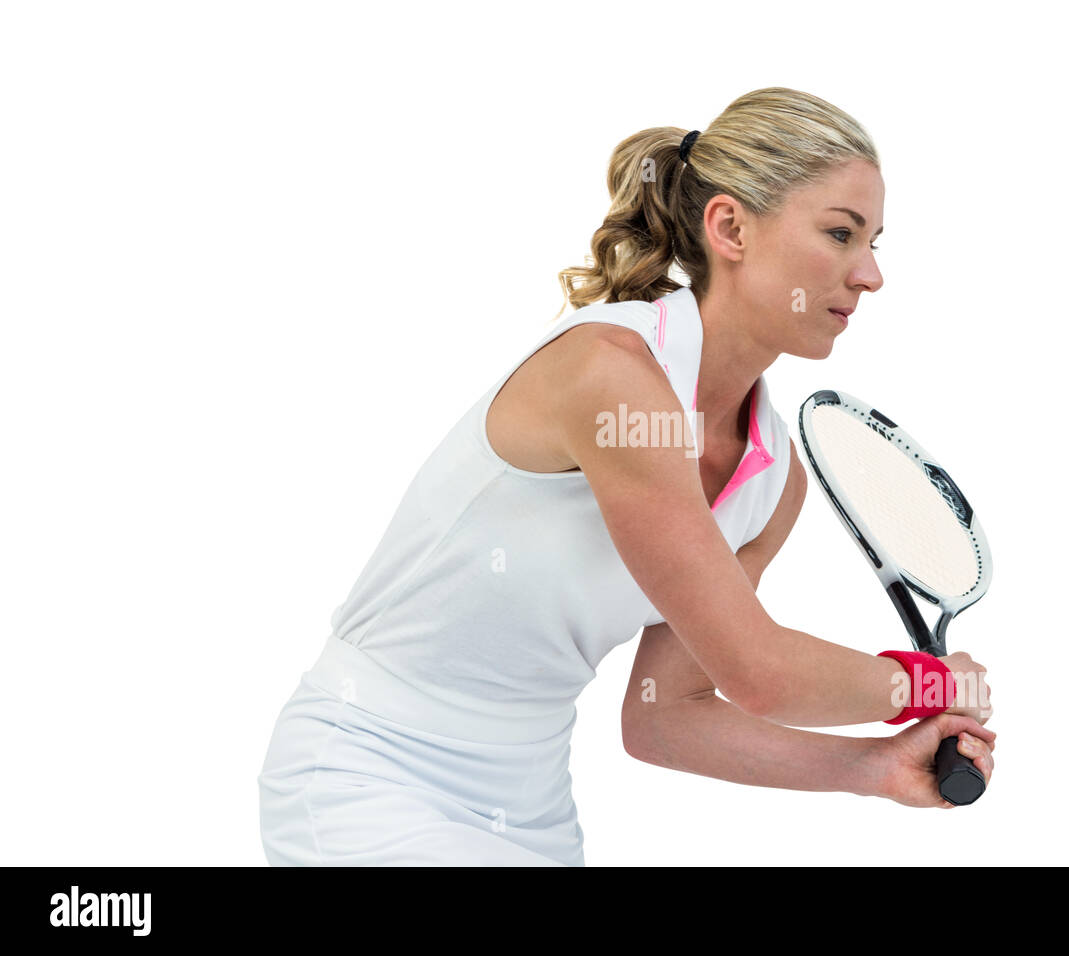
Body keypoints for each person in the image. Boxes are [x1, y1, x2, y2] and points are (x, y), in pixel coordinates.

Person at [257, 86, 996, 867]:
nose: (870, 274)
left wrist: (872, 769)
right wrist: (927, 684)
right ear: (730, 227)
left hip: (528, 808)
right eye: (841, 235)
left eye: (876, 241)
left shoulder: (773, 482)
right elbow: (762, 671)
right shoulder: (609, 374)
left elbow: (665, 717)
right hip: (366, 771)